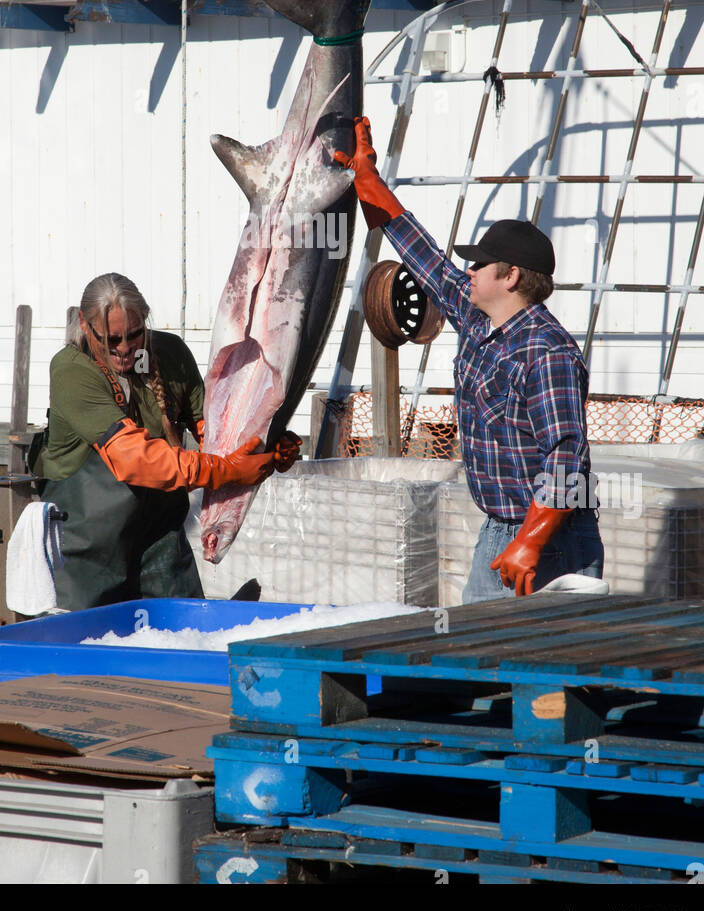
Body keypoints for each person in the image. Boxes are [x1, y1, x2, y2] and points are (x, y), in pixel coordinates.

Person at [335, 119, 604, 602]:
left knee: (537, 666)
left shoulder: (547, 352)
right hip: (504, 530)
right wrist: (371, 186)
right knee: (479, 660)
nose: (470, 271)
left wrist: (531, 540)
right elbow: (430, 264)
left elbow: (566, 456)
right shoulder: (482, 322)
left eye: (479, 264)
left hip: (550, 541)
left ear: (512, 276)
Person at [35, 273, 298, 610]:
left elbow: (216, 433)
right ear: (85, 328)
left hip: (160, 540)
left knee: (182, 642)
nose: (125, 349)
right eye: (111, 339)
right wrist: (229, 469)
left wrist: (265, 446)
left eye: (134, 334)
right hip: (85, 552)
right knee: (87, 654)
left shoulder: (171, 353)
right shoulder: (71, 370)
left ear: (146, 320)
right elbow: (133, 458)